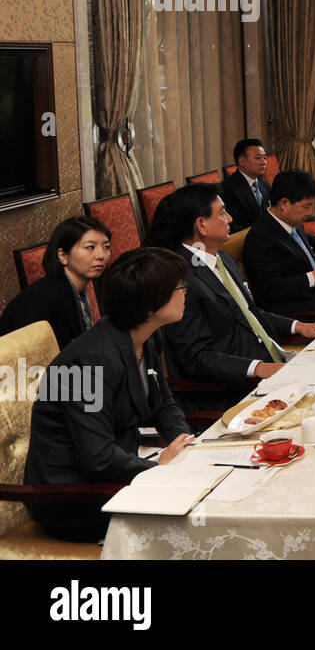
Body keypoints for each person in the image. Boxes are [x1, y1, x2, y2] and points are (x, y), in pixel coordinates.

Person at [24, 247, 194, 543]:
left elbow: (163, 403)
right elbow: (97, 456)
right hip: (74, 497)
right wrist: (158, 469)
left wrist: (186, 448)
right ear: (151, 304)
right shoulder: (88, 362)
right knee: (195, 519)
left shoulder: (144, 337)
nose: (185, 292)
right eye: (180, 287)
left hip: (116, 474)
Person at [155, 184, 315, 408]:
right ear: (202, 225)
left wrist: (299, 326)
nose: (231, 219)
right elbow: (195, 357)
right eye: (222, 213)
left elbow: (250, 313)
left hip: (271, 360)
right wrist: (257, 368)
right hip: (234, 388)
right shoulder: (180, 279)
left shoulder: (222, 259)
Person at [242, 170, 315, 314]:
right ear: (284, 203)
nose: (309, 213)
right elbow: (271, 290)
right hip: (307, 314)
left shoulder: (293, 222)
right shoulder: (261, 237)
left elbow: (303, 261)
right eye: (306, 207)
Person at [0, 217, 111, 349]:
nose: (101, 255)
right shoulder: (41, 299)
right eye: (90, 247)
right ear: (63, 256)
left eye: (106, 247)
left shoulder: (93, 286)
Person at [220, 138, 271, 233]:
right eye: (258, 158)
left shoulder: (264, 184)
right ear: (242, 161)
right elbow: (230, 226)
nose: (264, 162)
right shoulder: (228, 188)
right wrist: (260, 233)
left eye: (265, 157)